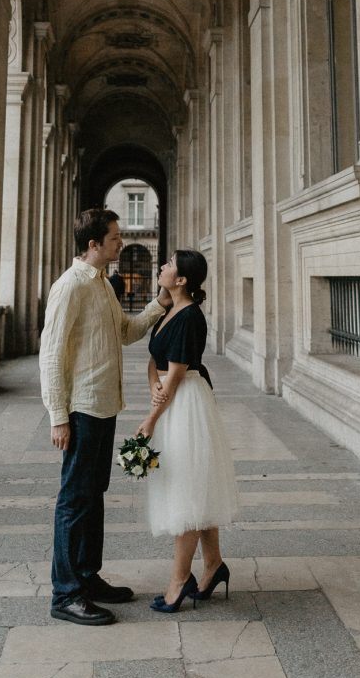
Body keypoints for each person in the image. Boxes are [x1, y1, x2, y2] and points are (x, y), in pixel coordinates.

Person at [39, 207, 166, 626]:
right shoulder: (71, 286)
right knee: (74, 500)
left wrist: (158, 305)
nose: (120, 242)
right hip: (80, 408)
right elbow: (51, 355)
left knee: (92, 496)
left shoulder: (103, 285)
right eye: (114, 238)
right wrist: (58, 415)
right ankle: (66, 593)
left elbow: (125, 333)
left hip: (104, 404)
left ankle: (88, 577)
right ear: (93, 244)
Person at [136, 249, 239, 612]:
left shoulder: (190, 316)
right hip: (171, 399)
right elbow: (155, 358)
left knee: (187, 489)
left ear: (181, 280)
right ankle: (213, 565)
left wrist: (150, 419)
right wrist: (152, 383)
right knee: (196, 486)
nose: (162, 267)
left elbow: (177, 374)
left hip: (186, 403)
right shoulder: (169, 310)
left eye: (169, 265)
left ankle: (179, 581)